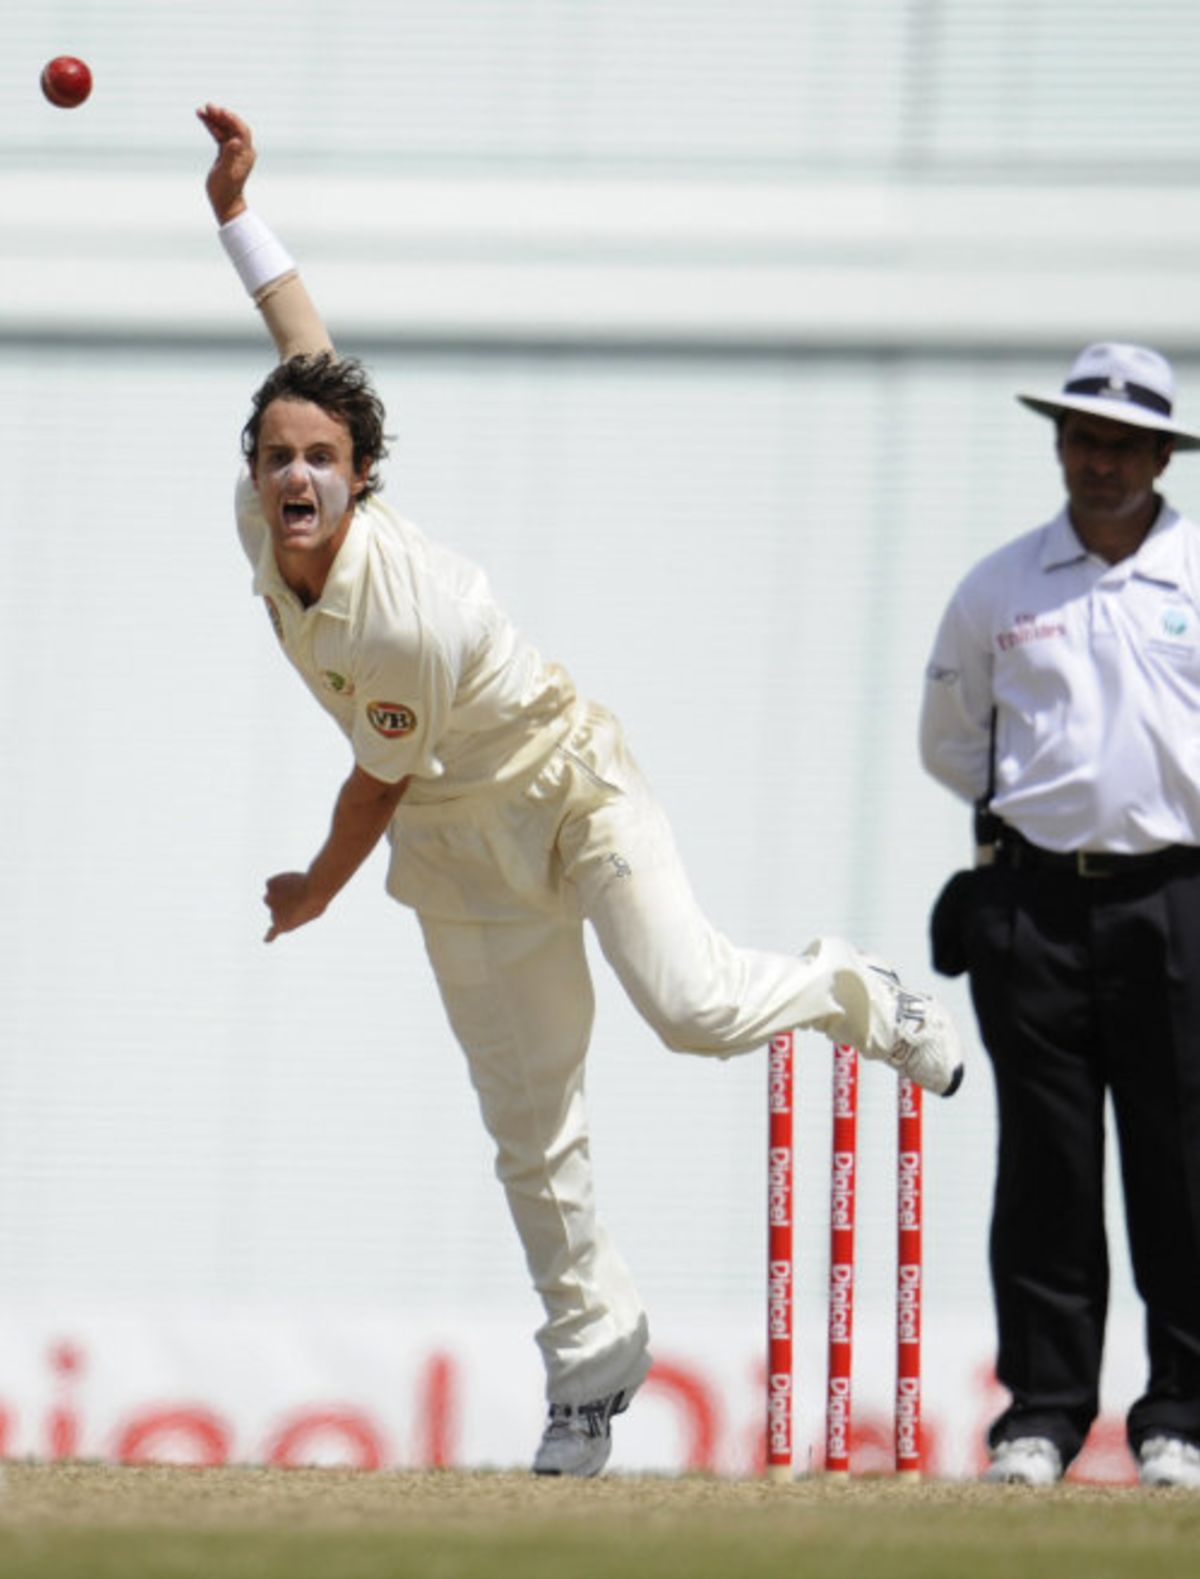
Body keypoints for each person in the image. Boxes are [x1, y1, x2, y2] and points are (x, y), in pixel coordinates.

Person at [197, 104, 963, 1478]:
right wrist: (235, 208)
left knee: (696, 1007)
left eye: (322, 458)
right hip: (455, 838)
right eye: (278, 455)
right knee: (529, 1118)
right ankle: (590, 1368)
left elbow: (372, 784)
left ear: (363, 478)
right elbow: (302, 341)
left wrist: (314, 888)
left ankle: (853, 989)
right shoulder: (264, 523)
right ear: (254, 471)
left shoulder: (400, 618)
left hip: (565, 785)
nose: (298, 472)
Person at [920, 342, 1200, 1489]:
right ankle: (1040, 1414)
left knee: (1180, 1162)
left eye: (1125, 443)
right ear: (1059, 444)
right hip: (1034, 901)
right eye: (1085, 438)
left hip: (1179, 896)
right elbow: (952, 745)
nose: (1102, 462)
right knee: (1044, 1162)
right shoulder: (1001, 585)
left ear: (1161, 454)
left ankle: (1181, 1413)